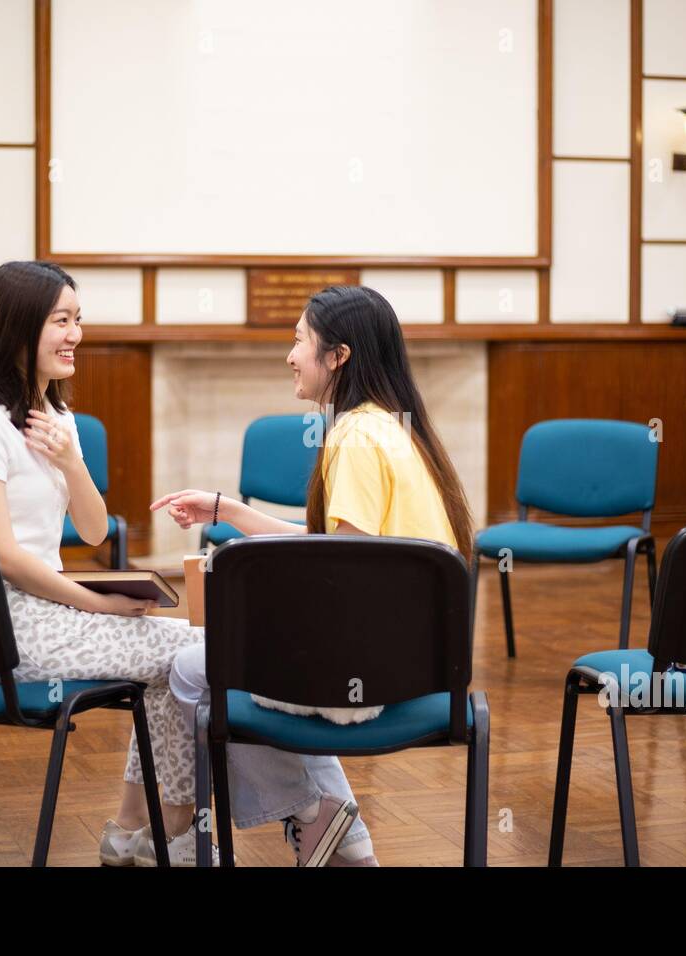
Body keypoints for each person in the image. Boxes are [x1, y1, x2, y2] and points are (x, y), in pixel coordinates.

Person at [151, 284, 474, 866]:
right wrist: (226, 510)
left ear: (338, 355)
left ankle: (309, 812)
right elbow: (340, 552)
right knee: (226, 654)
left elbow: (339, 573)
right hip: (414, 668)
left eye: (299, 339)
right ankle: (338, 835)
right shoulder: (393, 429)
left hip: (362, 679)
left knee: (191, 668)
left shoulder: (351, 437)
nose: (290, 355)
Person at [0, 260, 213, 866]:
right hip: (1, 625)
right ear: (16, 329)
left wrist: (70, 461)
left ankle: (134, 833)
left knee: (181, 655)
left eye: (78, 319)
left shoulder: (58, 418)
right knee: (187, 653)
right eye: (60, 321)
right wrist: (98, 603)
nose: (76, 335)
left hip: (41, 606)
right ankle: (169, 836)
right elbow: (4, 556)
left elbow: (94, 530)